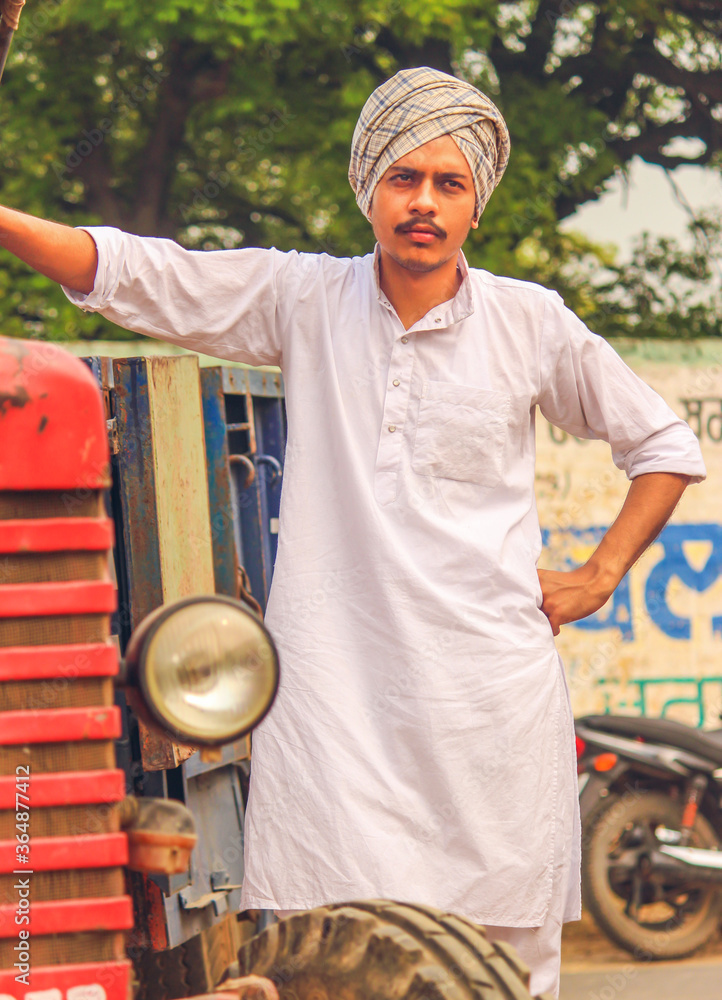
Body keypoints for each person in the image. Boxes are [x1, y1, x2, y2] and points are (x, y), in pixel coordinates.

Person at [0, 66, 705, 996]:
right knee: (323, 958)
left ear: (477, 204)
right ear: (368, 188)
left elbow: (663, 444)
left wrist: (600, 573)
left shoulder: (528, 322)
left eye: (449, 183)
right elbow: (137, 273)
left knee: (503, 966)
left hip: (486, 710)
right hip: (335, 710)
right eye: (403, 178)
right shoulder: (305, 299)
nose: (424, 203)